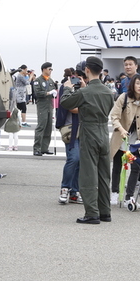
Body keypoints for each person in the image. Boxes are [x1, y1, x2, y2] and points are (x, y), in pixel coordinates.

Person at [60, 56, 115, 224]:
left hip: (89, 131)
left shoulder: (84, 92)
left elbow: (65, 102)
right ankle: (105, 211)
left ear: (87, 70)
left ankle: (92, 213)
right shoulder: (108, 92)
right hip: (104, 132)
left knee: (88, 174)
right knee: (104, 174)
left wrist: (69, 88)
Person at [108, 74, 140, 205]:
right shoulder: (124, 97)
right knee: (117, 166)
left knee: (136, 167)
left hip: (137, 139)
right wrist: (121, 129)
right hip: (121, 137)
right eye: (138, 83)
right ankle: (115, 192)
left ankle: (129, 197)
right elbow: (114, 116)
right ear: (133, 85)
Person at [55, 68, 82, 205]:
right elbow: (70, 106)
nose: (77, 79)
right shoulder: (66, 87)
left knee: (80, 161)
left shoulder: (87, 87)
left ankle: (74, 192)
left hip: (85, 128)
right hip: (71, 129)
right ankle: (65, 188)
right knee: (74, 158)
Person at [31, 62, 58, 156]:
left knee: (48, 127)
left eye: (51, 69)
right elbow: (37, 93)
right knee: (41, 127)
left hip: (49, 105)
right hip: (42, 105)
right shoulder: (38, 80)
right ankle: (37, 148)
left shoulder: (50, 80)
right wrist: (48, 93)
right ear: (44, 69)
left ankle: (44, 148)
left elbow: (54, 89)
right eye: (49, 69)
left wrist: (54, 93)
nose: (50, 71)